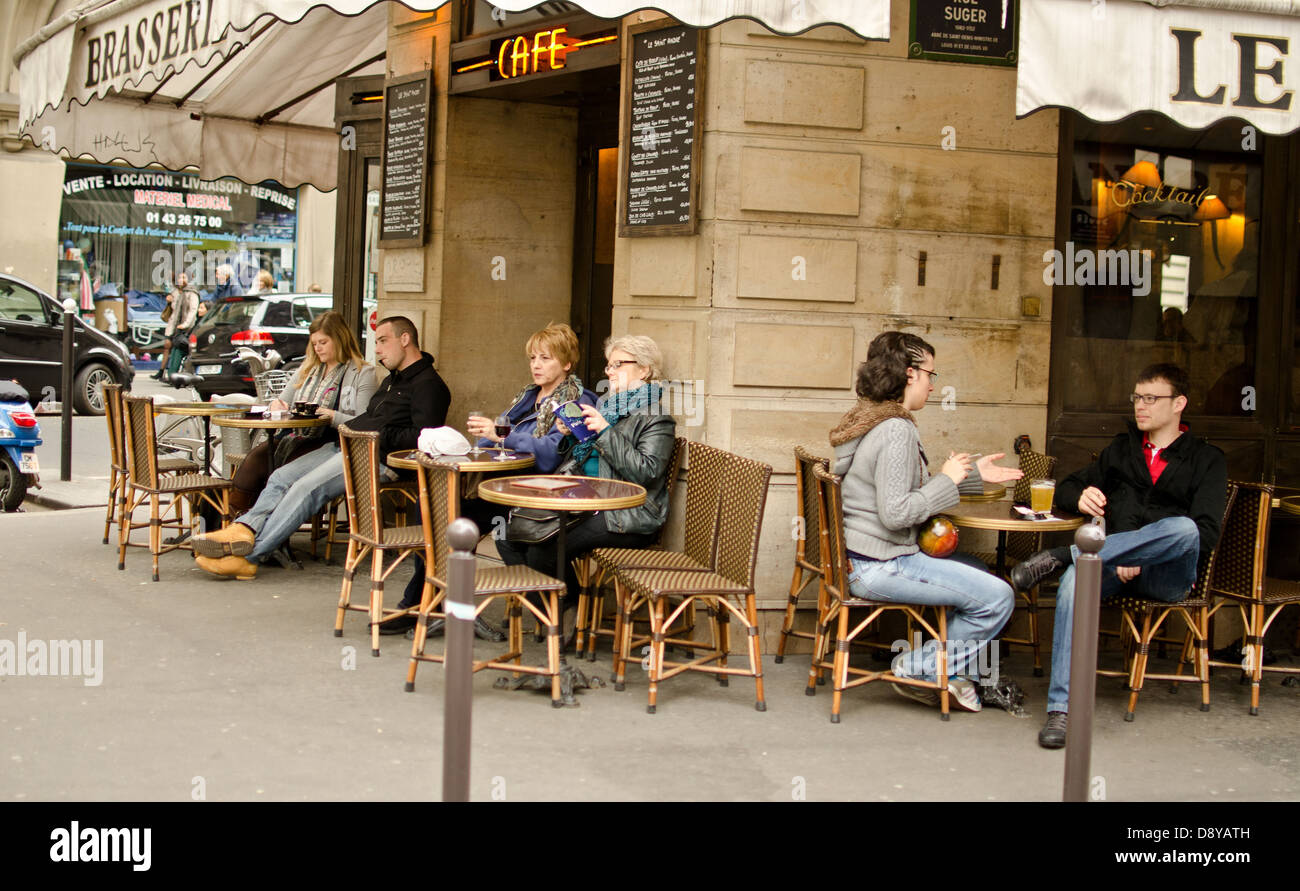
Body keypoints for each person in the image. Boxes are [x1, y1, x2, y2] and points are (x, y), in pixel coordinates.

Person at [1011, 363, 1227, 748]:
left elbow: (1206, 536)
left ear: (1179, 403)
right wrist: (1079, 496)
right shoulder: (1122, 451)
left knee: (1184, 528)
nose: (1140, 406)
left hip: (1167, 575)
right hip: (1113, 564)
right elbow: (1068, 486)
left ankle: (1065, 554)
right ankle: (1062, 710)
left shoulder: (1206, 458)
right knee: (1076, 582)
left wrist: (1142, 557)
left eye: (1150, 398)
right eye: (1137, 398)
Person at [831, 331, 1021, 712]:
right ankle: (918, 667)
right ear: (909, 373)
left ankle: (950, 670)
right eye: (932, 374)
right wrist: (948, 479)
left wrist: (970, 476)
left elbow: (901, 487)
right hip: (882, 564)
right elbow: (897, 513)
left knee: (976, 569)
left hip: (860, 558)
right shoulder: (896, 429)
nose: (935, 386)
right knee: (999, 597)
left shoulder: (869, 418)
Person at [190, 316, 450, 580]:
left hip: (377, 458)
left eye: (383, 341)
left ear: (405, 339)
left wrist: (371, 432)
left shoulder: (429, 385)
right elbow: (370, 417)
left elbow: (422, 439)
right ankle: (243, 529)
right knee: (280, 477)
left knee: (306, 489)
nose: (377, 349)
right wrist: (353, 429)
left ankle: (248, 557)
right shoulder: (393, 379)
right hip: (347, 445)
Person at [382, 322, 598, 638]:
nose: (536, 365)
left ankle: (426, 605)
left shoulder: (576, 402)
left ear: (566, 363)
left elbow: (550, 455)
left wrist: (501, 437)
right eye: (533, 358)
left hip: (536, 494)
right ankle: (434, 603)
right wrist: (475, 446)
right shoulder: (530, 396)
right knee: (433, 507)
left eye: (545, 359)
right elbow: (499, 434)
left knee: (452, 516)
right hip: (503, 484)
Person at [496, 334, 676, 636]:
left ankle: (565, 609)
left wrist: (604, 432)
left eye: (618, 364)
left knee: (543, 548)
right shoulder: (608, 406)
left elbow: (646, 473)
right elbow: (584, 457)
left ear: (644, 370)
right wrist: (570, 433)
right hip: (587, 500)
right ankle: (558, 607)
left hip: (627, 514)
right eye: (608, 365)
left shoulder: (656, 418)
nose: (609, 371)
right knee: (509, 534)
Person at [226, 311, 377, 515]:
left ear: (340, 339)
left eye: (323, 342)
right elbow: (281, 401)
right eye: (314, 343)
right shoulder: (307, 369)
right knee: (254, 461)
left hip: (329, 442)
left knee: (278, 471)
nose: (317, 348)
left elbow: (362, 422)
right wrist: (276, 406)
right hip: (293, 437)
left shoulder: (361, 373)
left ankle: (255, 528)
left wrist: (329, 415)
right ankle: (230, 521)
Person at [154, 274, 199, 381]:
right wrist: (169, 302)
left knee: (176, 348)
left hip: (185, 328)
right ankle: (164, 371)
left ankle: (171, 373)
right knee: (169, 346)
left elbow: (193, 311)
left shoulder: (191, 293)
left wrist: (186, 324)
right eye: (179, 278)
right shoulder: (174, 293)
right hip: (174, 326)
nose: (181, 280)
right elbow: (173, 311)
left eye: (184, 277)